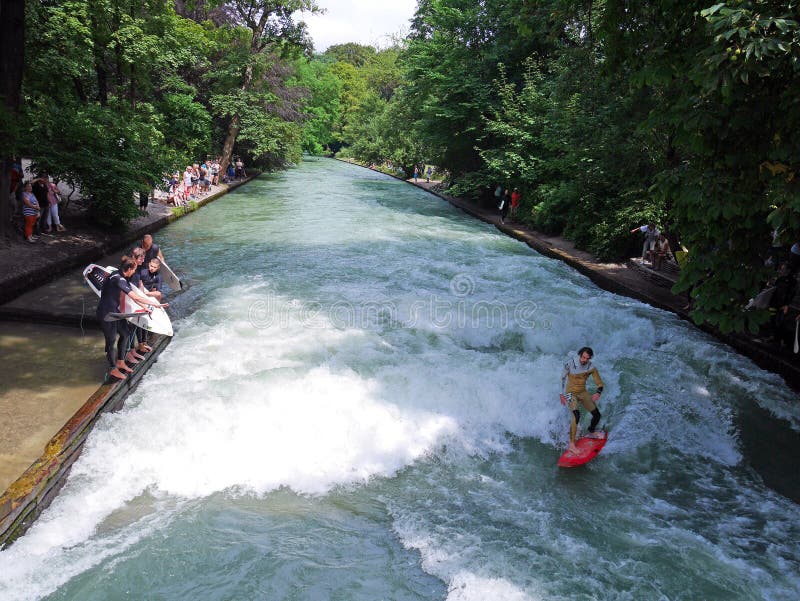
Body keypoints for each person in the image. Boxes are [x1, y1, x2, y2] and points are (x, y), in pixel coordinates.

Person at [96, 256, 167, 381]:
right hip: (107, 314)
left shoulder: (119, 275)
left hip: (116, 312)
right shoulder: (119, 279)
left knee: (126, 333)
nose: (135, 272)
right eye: (133, 269)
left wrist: (144, 307)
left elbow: (133, 296)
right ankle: (113, 369)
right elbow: (135, 296)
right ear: (128, 269)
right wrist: (155, 304)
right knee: (111, 341)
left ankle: (120, 362)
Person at [560, 347, 605, 455]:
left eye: (587, 358)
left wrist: (598, 392)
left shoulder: (591, 367)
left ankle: (591, 430)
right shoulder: (570, 363)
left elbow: (599, 383)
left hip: (582, 392)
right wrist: (561, 394)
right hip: (570, 393)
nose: (584, 360)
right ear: (580, 355)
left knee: (597, 415)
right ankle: (571, 444)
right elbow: (562, 378)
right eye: (583, 357)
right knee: (576, 415)